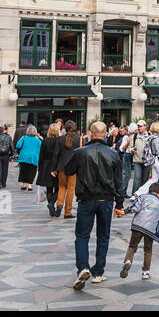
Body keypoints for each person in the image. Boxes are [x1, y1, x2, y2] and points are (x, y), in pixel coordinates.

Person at [67, 121, 126, 291]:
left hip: (86, 199)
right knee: (103, 235)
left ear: (90, 134)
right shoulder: (113, 153)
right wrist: (120, 203)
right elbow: (118, 181)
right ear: (106, 134)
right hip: (106, 200)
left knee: (82, 236)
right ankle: (98, 271)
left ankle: (83, 267)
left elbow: (69, 170)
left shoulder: (80, 152)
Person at [120, 181, 159, 280]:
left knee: (132, 246)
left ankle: (128, 261)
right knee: (148, 249)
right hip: (150, 231)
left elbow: (134, 208)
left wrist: (124, 211)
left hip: (138, 226)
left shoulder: (142, 197)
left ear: (149, 191)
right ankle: (146, 272)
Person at [134, 122, 159, 202]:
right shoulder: (157, 138)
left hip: (153, 160)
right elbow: (158, 152)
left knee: (154, 179)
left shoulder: (151, 137)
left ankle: (139, 192)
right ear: (158, 129)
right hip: (158, 160)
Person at [56, 125, 83, 219]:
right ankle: (67, 212)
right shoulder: (78, 139)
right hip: (73, 166)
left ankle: (59, 204)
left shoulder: (60, 139)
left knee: (62, 186)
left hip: (61, 166)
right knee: (71, 189)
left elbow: (56, 154)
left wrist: (53, 168)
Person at [16, 125, 41, 191]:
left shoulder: (24, 137)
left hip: (24, 156)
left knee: (23, 171)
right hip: (34, 157)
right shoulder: (38, 140)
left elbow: (18, 145)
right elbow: (41, 148)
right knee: (32, 171)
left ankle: (24, 185)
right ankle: (30, 186)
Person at [0, 124, 14, 189]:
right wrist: (12, 155)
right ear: (3, 131)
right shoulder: (8, 137)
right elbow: (12, 147)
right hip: (6, 155)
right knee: (5, 170)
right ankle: (4, 183)